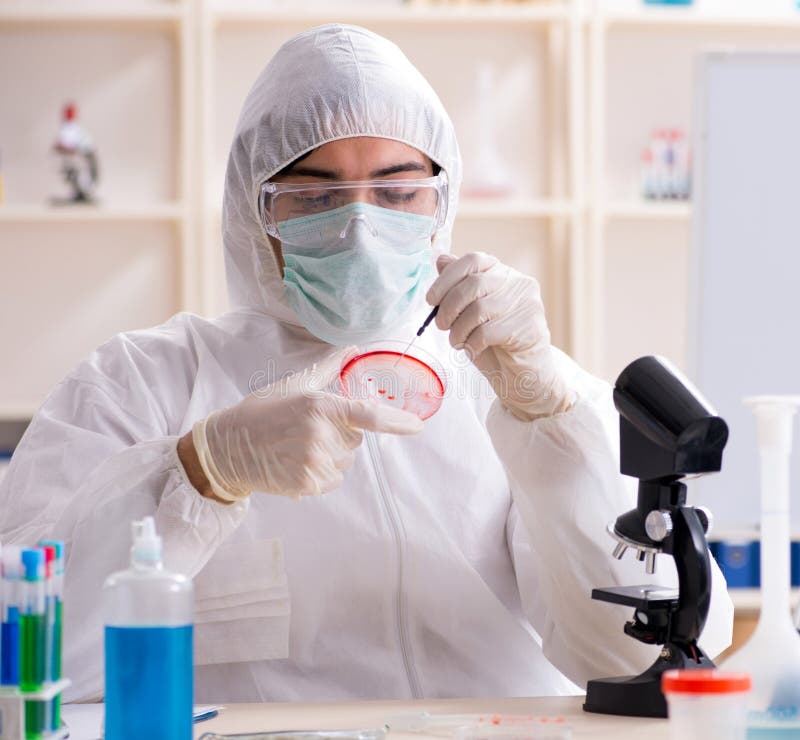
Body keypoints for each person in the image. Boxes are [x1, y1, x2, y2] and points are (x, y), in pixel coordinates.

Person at [0, 24, 733, 703]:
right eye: (314, 195)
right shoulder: (138, 384)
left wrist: (553, 423)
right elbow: (28, 655)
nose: (358, 224)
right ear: (255, 212)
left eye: (397, 191)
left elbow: (640, 660)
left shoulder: (504, 380)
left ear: (440, 201)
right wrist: (200, 471)